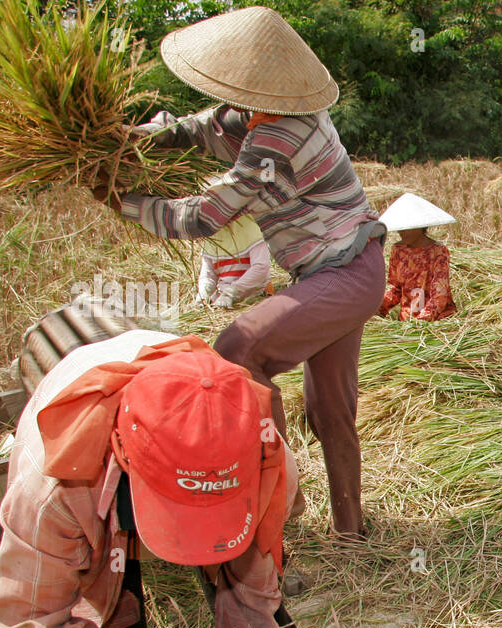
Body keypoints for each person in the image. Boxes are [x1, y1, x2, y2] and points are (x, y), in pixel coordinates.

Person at [95, 6, 385, 539]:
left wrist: (120, 198)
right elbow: (190, 130)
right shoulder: (245, 116)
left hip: (346, 273)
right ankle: (351, 531)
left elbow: (205, 215)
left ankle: (279, 506)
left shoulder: (281, 134)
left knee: (239, 350)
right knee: (328, 410)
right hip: (333, 273)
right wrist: (118, 141)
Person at [0, 331, 303, 628]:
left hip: (189, 413)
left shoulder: (265, 455)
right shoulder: (54, 487)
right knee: (116, 616)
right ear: (121, 455)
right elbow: (35, 622)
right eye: (178, 514)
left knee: (265, 624)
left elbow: (255, 584)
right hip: (95, 483)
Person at [378, 192, 457, 323]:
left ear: (420, 227)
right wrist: (378, 308)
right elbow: (395, 288)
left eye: (406, 228)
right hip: (407, 321)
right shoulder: (398, 251)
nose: (401, 232)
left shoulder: (437, 252)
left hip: (436, 322)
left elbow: (440, 295)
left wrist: (420, 322)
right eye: (400, 228)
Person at [198, 214, 273, 308]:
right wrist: (204, 292)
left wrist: (231, 292)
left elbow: (261, 268)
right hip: (222, 301)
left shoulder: (252, 231)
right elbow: (208, 275)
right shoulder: (211, 239)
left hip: (255, 298)